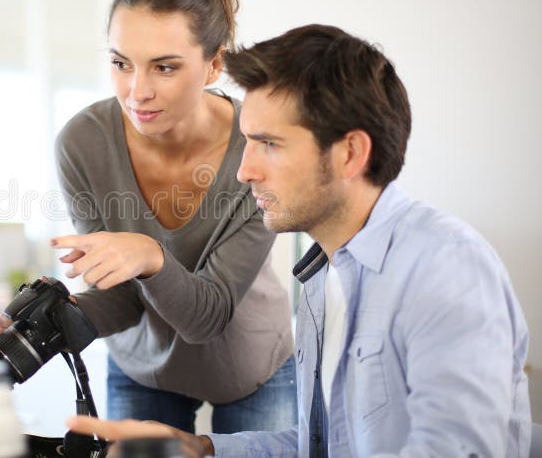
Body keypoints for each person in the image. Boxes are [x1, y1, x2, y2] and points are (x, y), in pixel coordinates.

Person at [66, 24, 532, 457]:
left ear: (350, 153)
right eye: (247, 142)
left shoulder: (445, 267)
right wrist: (201, 448)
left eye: (269, 144)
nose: (244, 170)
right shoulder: (323, 277)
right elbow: (320, 445)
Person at [0, 0, 297, 434]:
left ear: (214, 64)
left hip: (247, 365)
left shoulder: (258, 148)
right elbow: (124, 299)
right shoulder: (83, 143)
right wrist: (63, 317)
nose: (137, 92)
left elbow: (208, 317)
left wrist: (150, 256)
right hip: (143, 368)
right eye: (121, 63)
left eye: (164, 67)